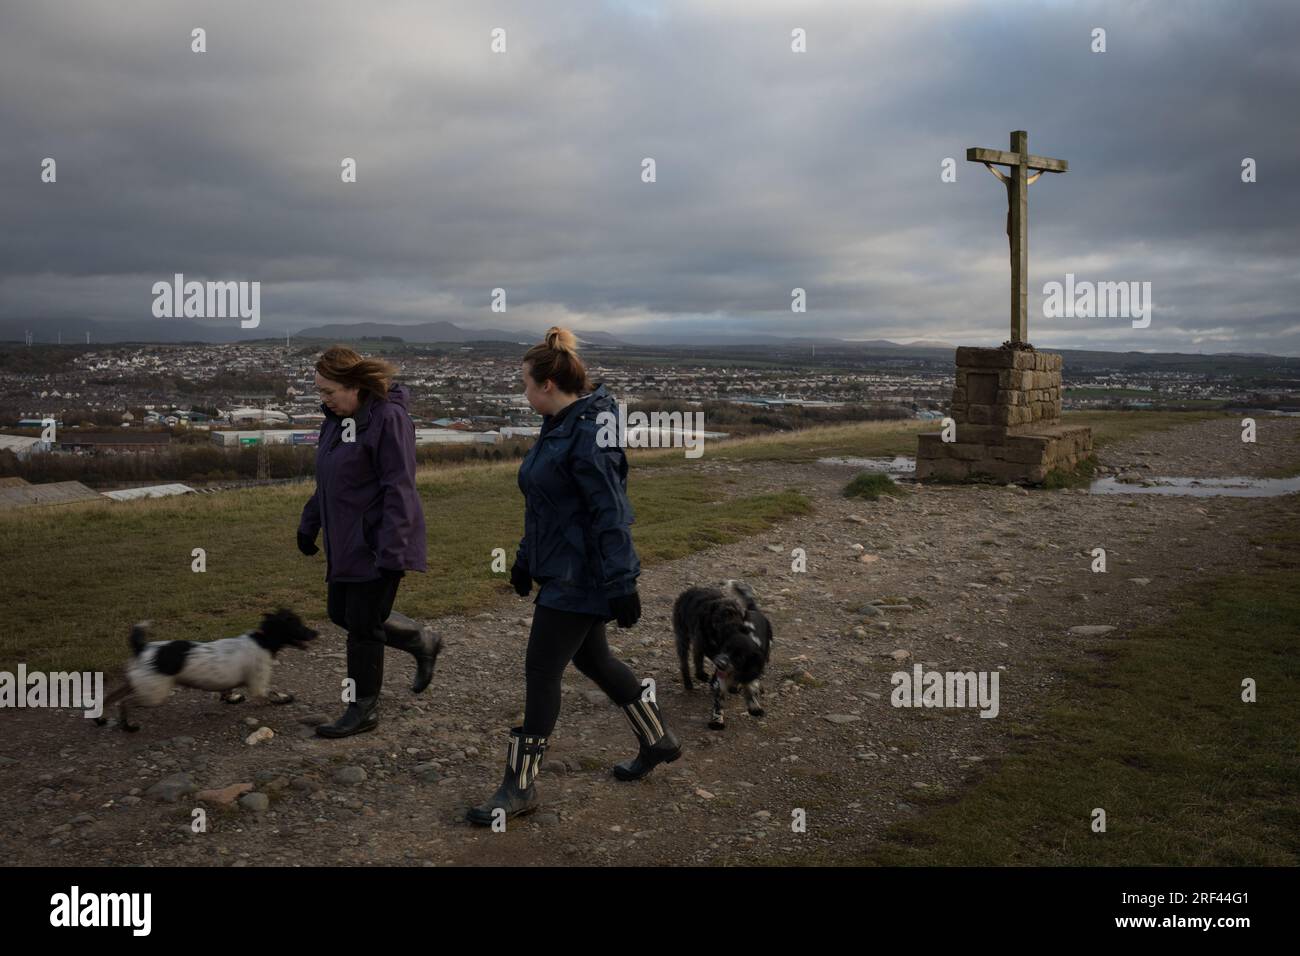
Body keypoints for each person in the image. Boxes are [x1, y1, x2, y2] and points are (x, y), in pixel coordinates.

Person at [468, 327, 681, 826]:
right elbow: (547, 508)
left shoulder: (588, 433)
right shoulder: (562, 424)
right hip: (562, 569)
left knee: (542, 671)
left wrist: (623, 582)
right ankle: (658, 739)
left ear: (546, 384)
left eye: (524, 383)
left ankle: (520, 786)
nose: (522, 392)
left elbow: (609, 510)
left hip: (580, 577)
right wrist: (524, 559)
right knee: (595, 659)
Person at [297, 346, 440, 738]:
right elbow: (329, 481)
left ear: (356, 386)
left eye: (329, 392)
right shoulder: (336, 421)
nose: (323, 400)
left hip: (378, 544)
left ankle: (362, 709)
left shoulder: (389, 420)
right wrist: (309, 523)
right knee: (341, 614)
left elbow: (400, 489)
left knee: (362, 625)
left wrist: (394, 551)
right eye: (320, 392)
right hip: (345, 542)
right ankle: (421, 640)